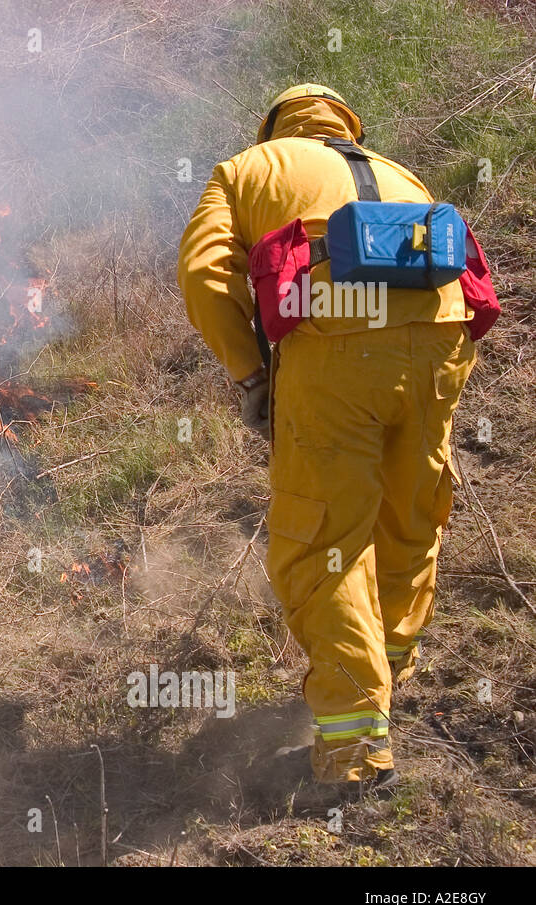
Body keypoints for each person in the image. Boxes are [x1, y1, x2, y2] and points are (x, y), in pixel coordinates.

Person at [177, 86, 478, 795]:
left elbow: (202, 272)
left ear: (274, 127)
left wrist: (251, 374)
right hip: (441, 348)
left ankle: (353, 755)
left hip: (338, 348)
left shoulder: (246, 168)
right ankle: (384, 670)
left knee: (325, 538)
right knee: (410, 516)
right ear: (348, 124)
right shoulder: (402, 173)